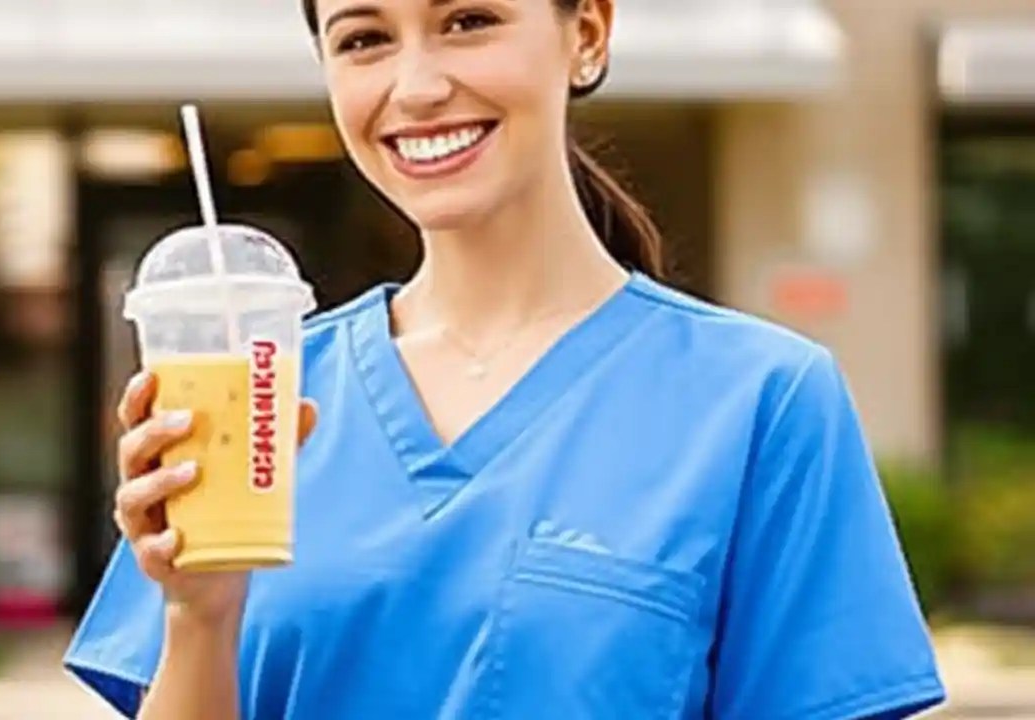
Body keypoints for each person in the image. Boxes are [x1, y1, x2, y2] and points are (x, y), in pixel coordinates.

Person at [65, 0, 947, 718]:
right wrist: (198, 617)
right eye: (365, 39)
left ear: (588, 32)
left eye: (469, 21)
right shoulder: (259, 403)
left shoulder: (758, 402)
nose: (415, 87)